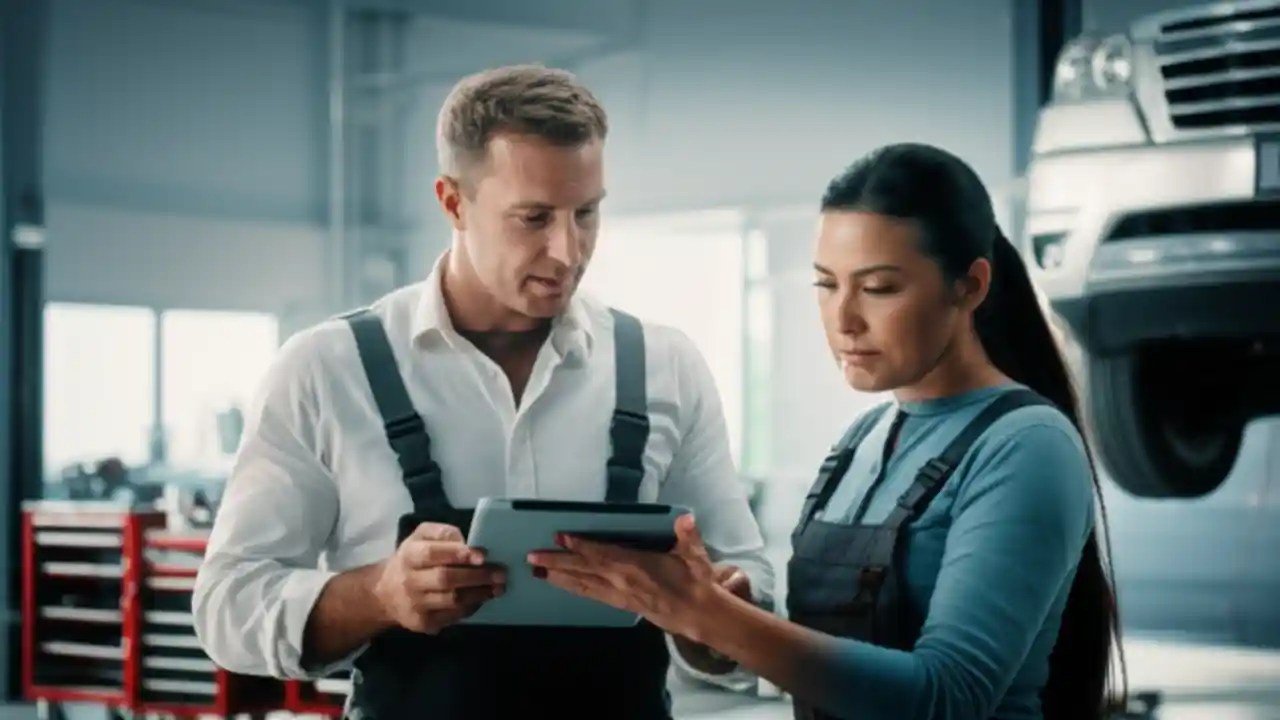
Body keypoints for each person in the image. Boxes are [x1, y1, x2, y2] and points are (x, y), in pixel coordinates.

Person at [192, 64, 773, 719]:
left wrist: (717, 615)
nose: (568, 250)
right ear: (452, 202)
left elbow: (744, 594)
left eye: (586, 213)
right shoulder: (325, 370)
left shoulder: (666, 367)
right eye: (533, 218)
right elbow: (228, 606)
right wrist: (380, 593)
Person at [529, 143, 1125, 720]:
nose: (844, 319)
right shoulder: (860, 442)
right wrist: (702, 621)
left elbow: (946, 698)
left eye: (879, 288)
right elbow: (818, 659)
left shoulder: (1026, 446)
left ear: (969, 285)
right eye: (825, 283)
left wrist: (714, 616)